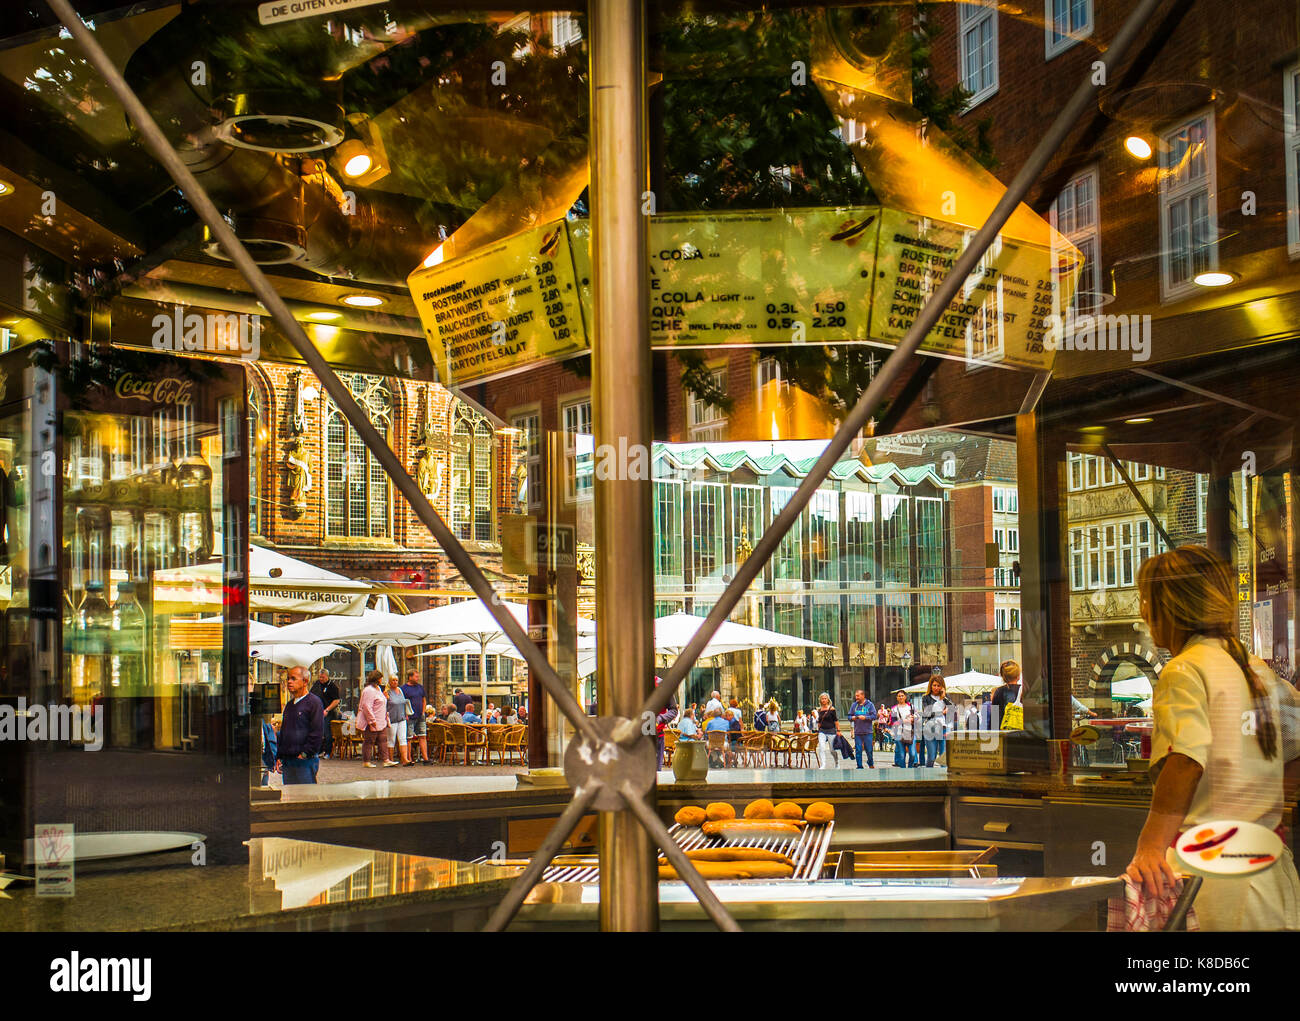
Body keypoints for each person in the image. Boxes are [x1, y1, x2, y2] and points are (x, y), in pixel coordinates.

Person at [1125, 546, 1300, 930]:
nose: (1142, 612)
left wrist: (1150, 847)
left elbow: (1185, 761)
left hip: (1213, 874)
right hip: (1269, 868)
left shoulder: (1184, 670)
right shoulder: (1257, 670)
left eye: (1146, 600)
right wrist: (1253, 801)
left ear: (1167, 609)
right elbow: (1294, 752)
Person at [276, 666, 324, 784]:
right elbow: (284, 731)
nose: (289, 682)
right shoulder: (289, 705)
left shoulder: (314, 703)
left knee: (305, 797)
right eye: (288, 679)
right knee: (291, 797)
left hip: (304, 761)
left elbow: (317, 732)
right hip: (288, 760)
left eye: (293, 679)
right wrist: (279, 755)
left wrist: (305, 754)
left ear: (305, 681)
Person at [921, 674, 953, 767]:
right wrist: (942, 712)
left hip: (943, 728)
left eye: (938, 686)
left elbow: (952, 708)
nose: (936, 688)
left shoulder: (946, 697)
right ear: (930, 686)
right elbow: (927, 713)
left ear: (942, 686)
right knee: (931, 757)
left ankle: (944, 780)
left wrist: (944, 697)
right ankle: (929, 779)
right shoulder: (925, 697)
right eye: (934, 685)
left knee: (943, 757)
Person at [357, 671, 389, 767]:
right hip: (372, 721)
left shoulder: (378, 689)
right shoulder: (368, 690)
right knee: (369, 741)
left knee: (383, 740)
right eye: (380, 678)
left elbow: (380, 702)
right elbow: (367, 706)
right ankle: (366, 761)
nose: (381, 680)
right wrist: (371, 720)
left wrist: (386, 697)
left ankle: (386, 760)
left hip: (381, 720)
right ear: (377, 679)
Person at [310, 669, 341, 758]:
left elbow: (336, 700)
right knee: (317, 732)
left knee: (327, 733)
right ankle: (318, 751)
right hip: (317, 713)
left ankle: (328, 752)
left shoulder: (332, 686)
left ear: (327, 676)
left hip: (328, 713)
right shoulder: (317, 684)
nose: (321, 679)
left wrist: (327, 710)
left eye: (323, 677)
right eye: (320, 677)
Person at [401, 670, 428, 764]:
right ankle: (409, 758)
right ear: (410, 677)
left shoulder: (420, 687)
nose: (418, 678)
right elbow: (402, 702)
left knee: (423, 736)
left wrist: (423, 711)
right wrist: (405, 714)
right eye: (416, 676)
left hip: (420, 715)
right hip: (410, 716)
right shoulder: (404, 689)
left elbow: (424, 699)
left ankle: (426, 758)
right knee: (409, 738)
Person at [383, 676, 412, 766]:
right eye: (393, 680)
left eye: (396, 680)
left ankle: (405, 759)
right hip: (392, 718)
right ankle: (391, 759)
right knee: (391, 739)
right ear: (390, 682)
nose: (395, 682)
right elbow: (384, 705)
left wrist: (406, 714)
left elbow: (403, 702)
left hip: (402, 717)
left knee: (403, 738)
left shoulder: (400, 690)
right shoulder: (386, 692)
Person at [991, 660, 1025, 729]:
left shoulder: (998, 692)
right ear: (1018, 676)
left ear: (1003, 677)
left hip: (1003, 732)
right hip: (1020, 731)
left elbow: (994, 719)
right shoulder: (1023, 691)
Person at [848, 689, 876, 769]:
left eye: (858, 696)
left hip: (868, 732)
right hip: (858, 732)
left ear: (863, 696)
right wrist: (852, 717)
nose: (856, 697)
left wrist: (866, 718)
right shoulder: (854, 705)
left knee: (869, 750)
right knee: (858, 750)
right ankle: (859, 766)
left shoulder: (870, 705)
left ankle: (870, 762)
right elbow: (849, 716)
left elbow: (874, 716)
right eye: (856, 696)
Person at [654, 676, 678, 769]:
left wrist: (660, 718)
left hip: (657, 736)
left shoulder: (663, 685)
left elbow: (673, 710)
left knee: (655, 774)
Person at [889, 690, 915, 767]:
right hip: (899, 733)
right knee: (901, 755)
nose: (901, 697)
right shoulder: (894, 709)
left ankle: (910, 768)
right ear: (897, 698)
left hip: (910, 732)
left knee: (913, 754)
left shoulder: (911, 706)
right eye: (899, 696)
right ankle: (903, 771)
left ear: (905, 697)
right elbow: (893, 722)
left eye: (902, 695)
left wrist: (914, 718)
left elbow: (917, 717)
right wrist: (903, 721)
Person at [814, 692, 839, 769]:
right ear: (820, 700)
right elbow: (819, 721)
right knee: (822, 747)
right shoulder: (819, 710)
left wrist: (838, 730)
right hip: (822, 731)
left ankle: (836, 762)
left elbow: (836, 720)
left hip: (831, 731)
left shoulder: (831, 709)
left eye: (825, 698)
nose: (824, 700)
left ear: (828, 700)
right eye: (822, 699)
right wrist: (817, 730)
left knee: (832, 750)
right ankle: (823, 764)